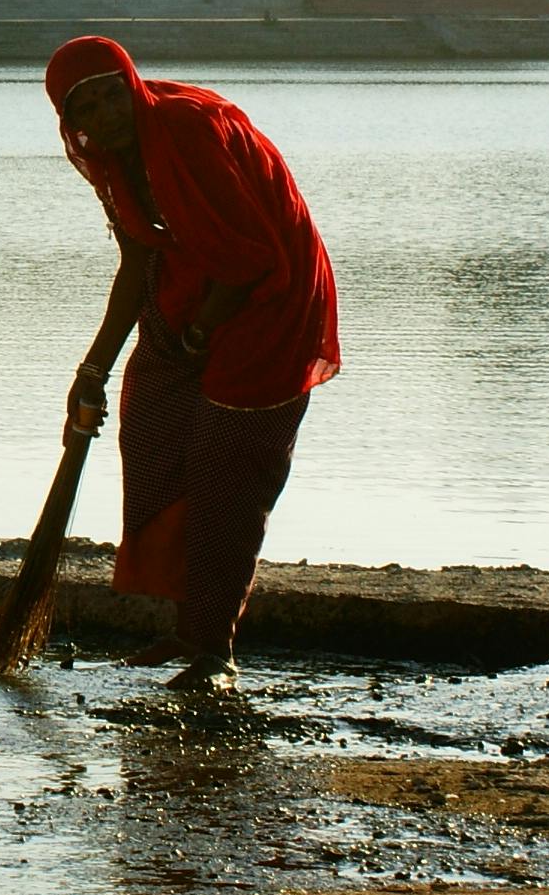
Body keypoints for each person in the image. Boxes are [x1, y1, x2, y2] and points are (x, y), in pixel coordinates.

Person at [46, 36, 339, 690]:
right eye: (86, 107)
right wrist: (91, 371)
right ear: (73, 123)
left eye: (113, 93)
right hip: (199, 285)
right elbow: (138, 261)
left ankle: (216, 651)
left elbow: (253, 255)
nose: (106, 113)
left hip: (272, 297)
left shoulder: (188, 131)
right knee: (155, 430)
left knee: (227, 468)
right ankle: (188, 626)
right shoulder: (114, 160)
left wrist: (203, 328)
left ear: (133, 86)